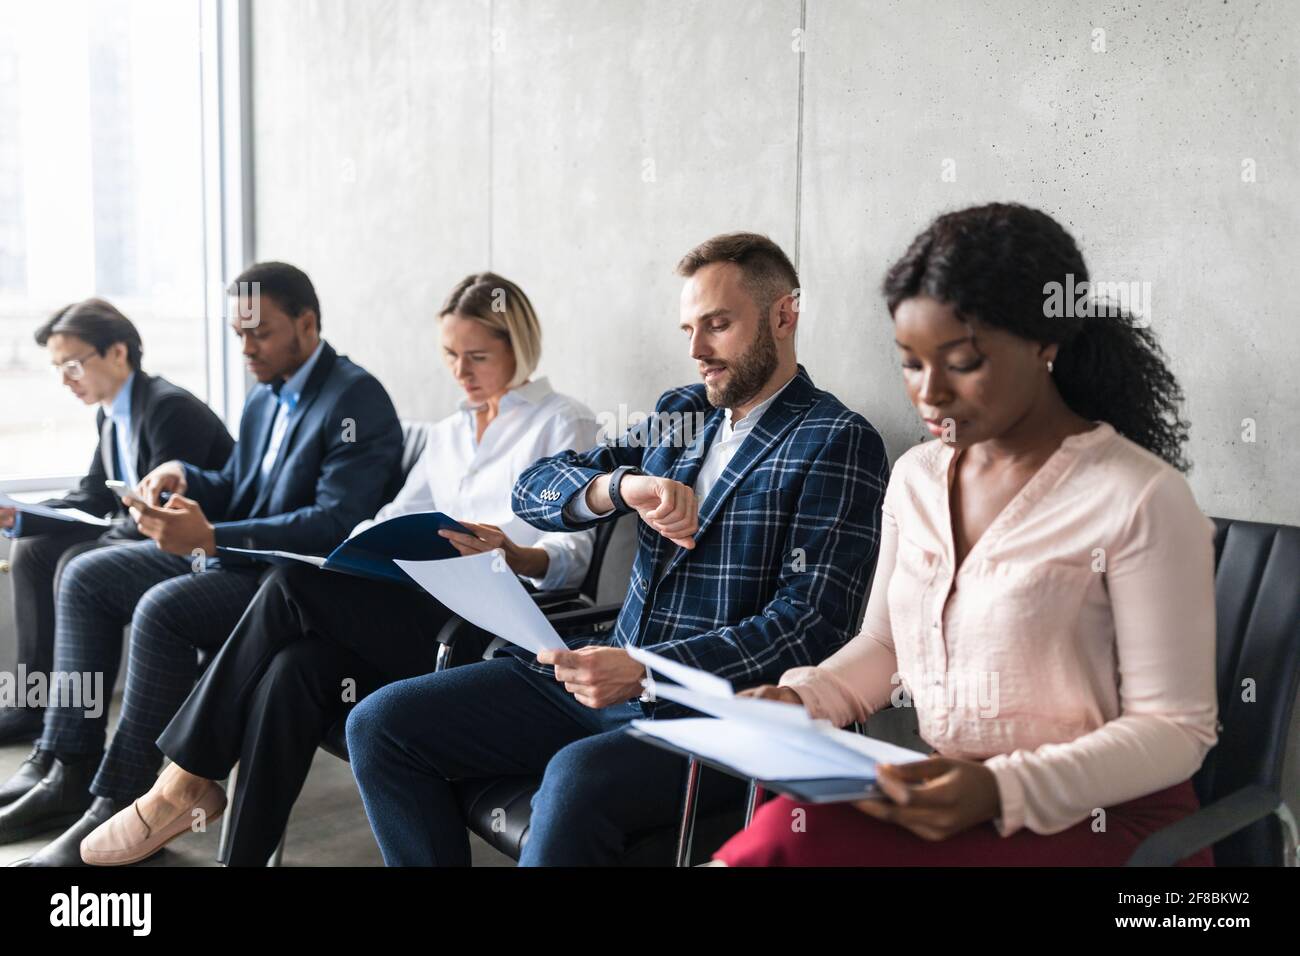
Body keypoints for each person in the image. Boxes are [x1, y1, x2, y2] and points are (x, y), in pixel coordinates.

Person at [344, 232, 891, 866]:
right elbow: (533, 489)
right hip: (606, 681)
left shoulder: (836, 439)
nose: (696, 350)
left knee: (578, 777)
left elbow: (811, 628)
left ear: (784, 314)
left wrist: (649, 670)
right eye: (689, 327)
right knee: (380, 724)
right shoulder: (682, 412)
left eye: (717, 325)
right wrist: (619, 486)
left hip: (722, 714)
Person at [713, 203, 1218, 866]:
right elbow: (883, 643)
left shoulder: (1140, 498)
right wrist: (806, 699)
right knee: (785, 833)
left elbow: (1175, 730)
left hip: (1111, 828)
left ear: (1046, 343)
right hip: (952, 795)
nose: (930, 395)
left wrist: (1001, 789)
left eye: (962, 362)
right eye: (911, 364)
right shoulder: (916, 479)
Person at [78, 272, 600, 866]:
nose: (461, 371)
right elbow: (393, 513)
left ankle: (182, 782)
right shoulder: (452, 431)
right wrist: (358, 548)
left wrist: (511, 552)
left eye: (478, 355)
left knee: (286, 584)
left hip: (487, 632)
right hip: (414, 608)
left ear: (520, 345)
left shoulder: (565, 421)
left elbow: (570, 563)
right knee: (296, 668)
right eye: (451, 355)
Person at [0, 261, 404, 866]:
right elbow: (241, 485)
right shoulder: (265, 396)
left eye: (259, 332)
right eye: (237, 333)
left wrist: (212, 535)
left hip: (292, 584)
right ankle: (70, 763)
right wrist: (188, 477)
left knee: (164, 609)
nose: (245, 348)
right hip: (238, 559)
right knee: (85, 574)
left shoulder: (356, 398)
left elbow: (333, 524)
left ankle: (123, 799)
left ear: (308, 322)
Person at [0, 300, 232, 750]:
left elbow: (166, 510)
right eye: (57, 369)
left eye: (72, 366)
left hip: (196, 549)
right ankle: (31, 707)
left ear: (118, 353)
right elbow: (93, 494)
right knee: (31, 550)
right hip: (140, 531)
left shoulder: (170, 408)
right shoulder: (111, 413)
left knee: (76, 561)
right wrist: (21, 514)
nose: (65, 381)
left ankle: (75, 728)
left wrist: (101, 536)